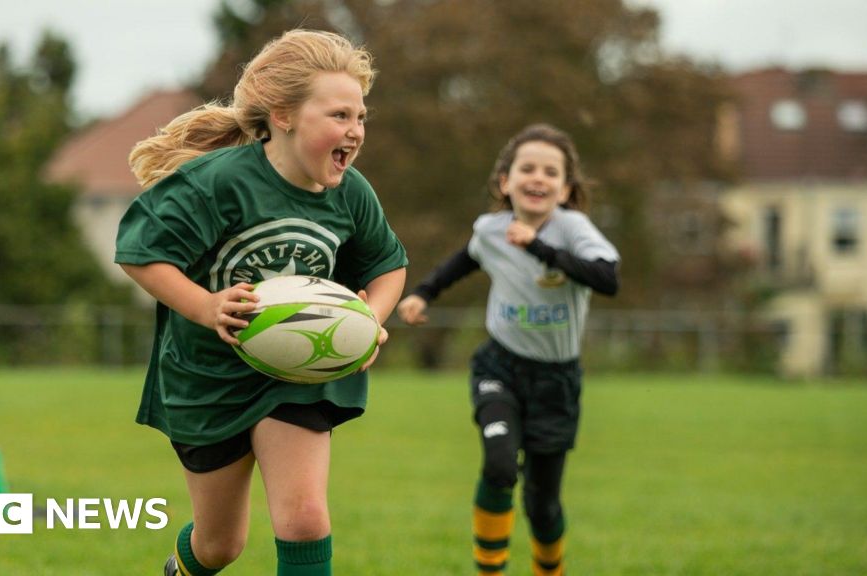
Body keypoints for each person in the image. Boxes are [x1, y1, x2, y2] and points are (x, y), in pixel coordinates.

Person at [115, 29, 407, 576]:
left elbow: (388, 265)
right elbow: (139, 252)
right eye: (339, 115)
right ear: (284, 115)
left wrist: (370, 321)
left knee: (304, 519)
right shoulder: (217, 183)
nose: (356, 131)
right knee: (220, 545)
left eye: (361, 117)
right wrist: (206, 307)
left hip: (298, 373)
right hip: (208, 377)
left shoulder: (351, 192)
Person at [397, 124, 619, 576]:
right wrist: (423, 292)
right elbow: (464, 259)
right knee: (499, 466)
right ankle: (489, 569)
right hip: (500, 365)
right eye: (528, 168)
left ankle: (547, 567)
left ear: (565, 189)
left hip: (556, 380)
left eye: (550, 172)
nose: (538, 178)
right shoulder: (491, 230)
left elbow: (607, 278)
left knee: (542, 504)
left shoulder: (574, 228)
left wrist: (538, 247)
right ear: (505, 181)